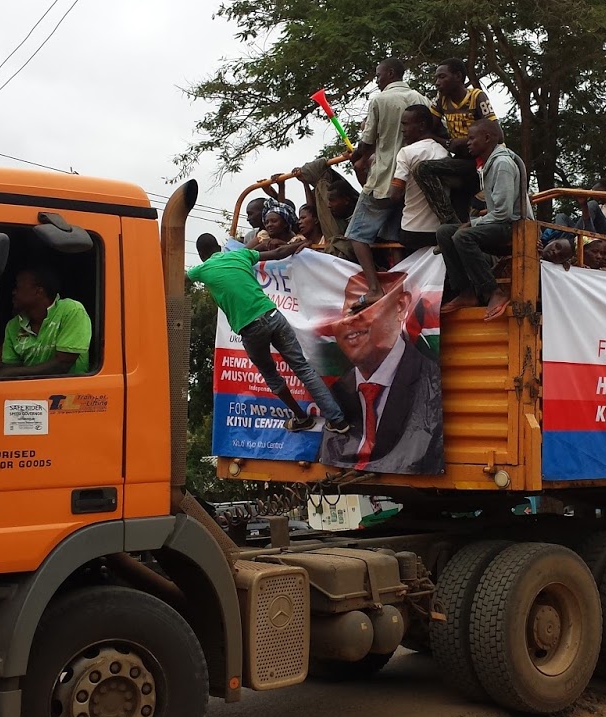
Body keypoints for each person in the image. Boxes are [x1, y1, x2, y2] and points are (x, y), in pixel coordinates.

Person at [187, 234, 349, 435]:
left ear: (202, 255)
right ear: (219, 247)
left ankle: (302, 418)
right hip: (273, 315)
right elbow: (278, 253)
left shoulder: (201, 270)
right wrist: (303, 243)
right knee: (303, 369)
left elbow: (177, 277)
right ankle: (338, 421)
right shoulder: (240, 256)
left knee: (272, 377)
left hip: (251, 329)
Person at [317, 271, 443, 473]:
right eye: (346, 312)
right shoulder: (335, 393)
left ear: (400, 307)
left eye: (363, 308)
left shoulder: (432, 383)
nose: (349, 320)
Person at [344, 58, 428, 308]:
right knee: (395, 239)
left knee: (357, 235)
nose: (376, 80)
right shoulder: (422, 99)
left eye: (379, 75)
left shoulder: (379, 101)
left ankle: (374, 289)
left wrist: (357, 157)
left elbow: (368, 142)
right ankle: (402, 285)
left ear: (390, 74)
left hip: (383, 180)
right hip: (413, 183)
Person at [437, 119, 533, 321]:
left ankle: (493, 292)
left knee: (463, 236)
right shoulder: (488, 164)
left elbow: (503, 213)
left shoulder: (502, 164)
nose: (468, 143)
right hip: (500, 222)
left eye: (472, 138)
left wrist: (472, 223)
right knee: (444, 232)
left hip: (513, 226)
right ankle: (466, 292)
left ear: (487, 138)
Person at [412, 58, 492, 225]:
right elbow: (429, 131)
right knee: (459, 206)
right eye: (436, 78)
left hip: (482, 162)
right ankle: (454, 228)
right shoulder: (441, 100)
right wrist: (448, 143)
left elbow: (497, 133)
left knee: (423, 169)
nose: (437, 83)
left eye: (442, 77)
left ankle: (449, 222)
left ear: (458, 76)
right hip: (461, 161)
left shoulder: (476, 97)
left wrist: (461, 142)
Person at [0, 268, 92, 376]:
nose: (13, 292)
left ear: (38, 291)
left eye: (18, 287)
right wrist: (8, 372)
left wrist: (7, 373)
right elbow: (12, 369)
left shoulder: (72, 310)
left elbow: (63, 364)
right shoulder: (13, 325)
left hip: (70, 390)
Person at [386, 105, 449, 254]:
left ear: (421, 126)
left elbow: (395, 195)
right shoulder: (444, 152)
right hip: (439, 231)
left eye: (406, 124)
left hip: (412, 232)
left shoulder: (407, 153)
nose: (403, 129)